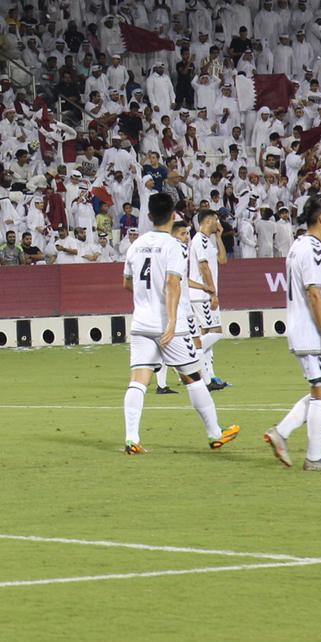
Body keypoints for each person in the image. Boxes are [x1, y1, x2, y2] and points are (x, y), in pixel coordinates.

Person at [119, 193, 238, 455]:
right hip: (169, 326)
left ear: (149, 216)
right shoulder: (174, 246)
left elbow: (127, 283)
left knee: (138, 381)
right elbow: (173, 284)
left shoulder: (135, 246)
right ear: (174, 215)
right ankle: (214, 433)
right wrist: (172, 322)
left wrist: (146, 299)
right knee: (193, 378)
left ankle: (131, 438)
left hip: (140, 324)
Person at [264, 196, 321, 471]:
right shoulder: (312, 249)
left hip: (304, 330)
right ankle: (314, 457)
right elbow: (313, 294)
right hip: (310, 332)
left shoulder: (300, 244)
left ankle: (281, 432)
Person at [184, 210, 232, 390]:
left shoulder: (209, 240)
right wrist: (213, 293)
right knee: (216, 333)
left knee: (207, 336)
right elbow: (204, 268)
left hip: (206, 295)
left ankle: (209, 377)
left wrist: (219, 237)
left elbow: (223, 260)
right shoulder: (199, 240)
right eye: (216, 221)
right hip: (202, 296)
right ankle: (189, 356)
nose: (218, 224)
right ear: (208, 221)